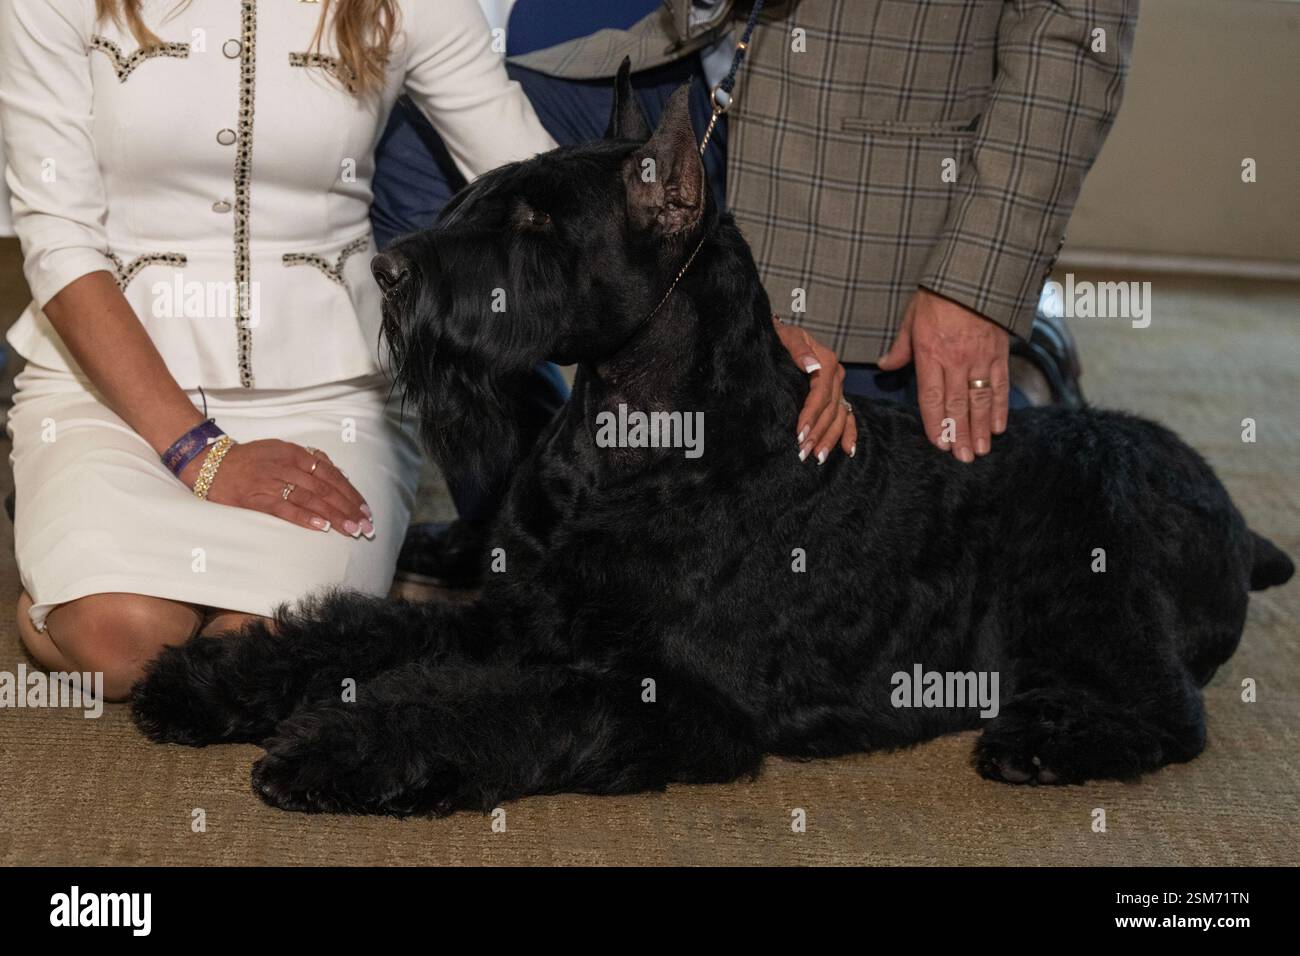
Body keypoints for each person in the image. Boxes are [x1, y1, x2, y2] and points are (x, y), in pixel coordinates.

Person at [0, 0, 850, 697]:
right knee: (124, 646)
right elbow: (59, 243)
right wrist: (201, 454)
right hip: (109, 387)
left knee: (254, 664)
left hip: (332, 390)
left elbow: (539, 176)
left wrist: (733, 316)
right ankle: (66, 563)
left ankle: (110, 555)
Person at [389, 0, 1137, 584]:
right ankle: (524, 522)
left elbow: (1075, 29)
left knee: (868, 518)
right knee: (412, 164)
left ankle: (1034, 335)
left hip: (873, 162)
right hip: (664, 57)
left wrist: (978, 282)